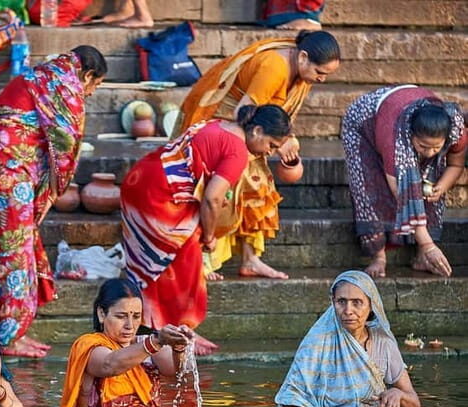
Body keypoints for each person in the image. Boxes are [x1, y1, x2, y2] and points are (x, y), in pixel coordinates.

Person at [0, 45, 107, 358]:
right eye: (95, 85)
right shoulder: (67, 84)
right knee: (14, 249)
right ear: (87, 74)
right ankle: (8, 337)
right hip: (7, 164)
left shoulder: (44, 73)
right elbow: (66, 145)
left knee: (13, 245)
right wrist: (56, 190)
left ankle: (13, 329)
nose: (92, 93)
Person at [175, 30, 341, 280]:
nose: (322, 80)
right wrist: (281, 141)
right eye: (320, 73)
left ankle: (251, 260)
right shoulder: (274, 66)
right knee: (231, 189)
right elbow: (244, 112)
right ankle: (201, 255)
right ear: (304, 57)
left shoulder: (301, 76)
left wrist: (286, 138)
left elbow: (277, 116)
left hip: (254, 132)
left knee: (260, 187)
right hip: (226, 128)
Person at [121, 105, 292, 345]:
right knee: (187, 256)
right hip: (159, 194)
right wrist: (209, 236)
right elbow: (212, 198)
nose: (270, 152)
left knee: (157, 259)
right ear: (257, 131)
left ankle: (154, 325)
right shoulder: (238, 152)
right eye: (271, 145)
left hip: (140, 179)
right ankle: (182, 328)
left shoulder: (217, 123)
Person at [341, 85, 466, 279]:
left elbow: (456, 164)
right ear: (411, 136)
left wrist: (442, 185)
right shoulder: (395, 138)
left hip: (399, 110)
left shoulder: (455, 130)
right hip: (365, 125)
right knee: (369, 186)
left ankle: (420, 257)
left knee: (430, 180)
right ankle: (379, 257)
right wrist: (429, 246)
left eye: (436, 147)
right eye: (423, 146)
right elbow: (403, 195)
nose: (430, 152)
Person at [275, 270, 421, 407]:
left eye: (357, 302)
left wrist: (398, 394)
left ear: (371, 306)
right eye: (341, 302)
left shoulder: (383, 344)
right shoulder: (316, 344)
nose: (348, 311)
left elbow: (415, 405)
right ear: (333, 302)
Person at [58, 278, 195, 407]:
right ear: (102, 314)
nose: (130, 325)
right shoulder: (89, 346)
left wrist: (179, 346)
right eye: (121, 316)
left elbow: (177, 370)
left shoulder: (145, 344)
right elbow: (110, 365)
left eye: (136, 316)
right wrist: (157, 341)